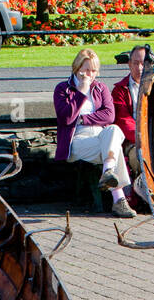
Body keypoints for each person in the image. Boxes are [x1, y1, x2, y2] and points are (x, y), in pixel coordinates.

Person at [53, 48, 134, 219]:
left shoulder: (100, 88)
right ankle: (119, 199)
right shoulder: (62, 89)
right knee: (114, 149)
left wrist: (82, 118)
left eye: (94, 70)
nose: (90, 74)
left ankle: (108, 171)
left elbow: (109, 115)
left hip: (100, 135)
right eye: (86, 69)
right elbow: (67, 118)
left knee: (114, 129)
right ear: (77, 68)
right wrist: (82, 92)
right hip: (76, 139)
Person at [111, 45, 147, 171]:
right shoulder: (120, 90)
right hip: (134, 142)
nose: (140, 68)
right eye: (136, 63)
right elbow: (123, 121)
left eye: (143, 63)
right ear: (129, 64)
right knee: (140, 159)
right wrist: (142, 138)